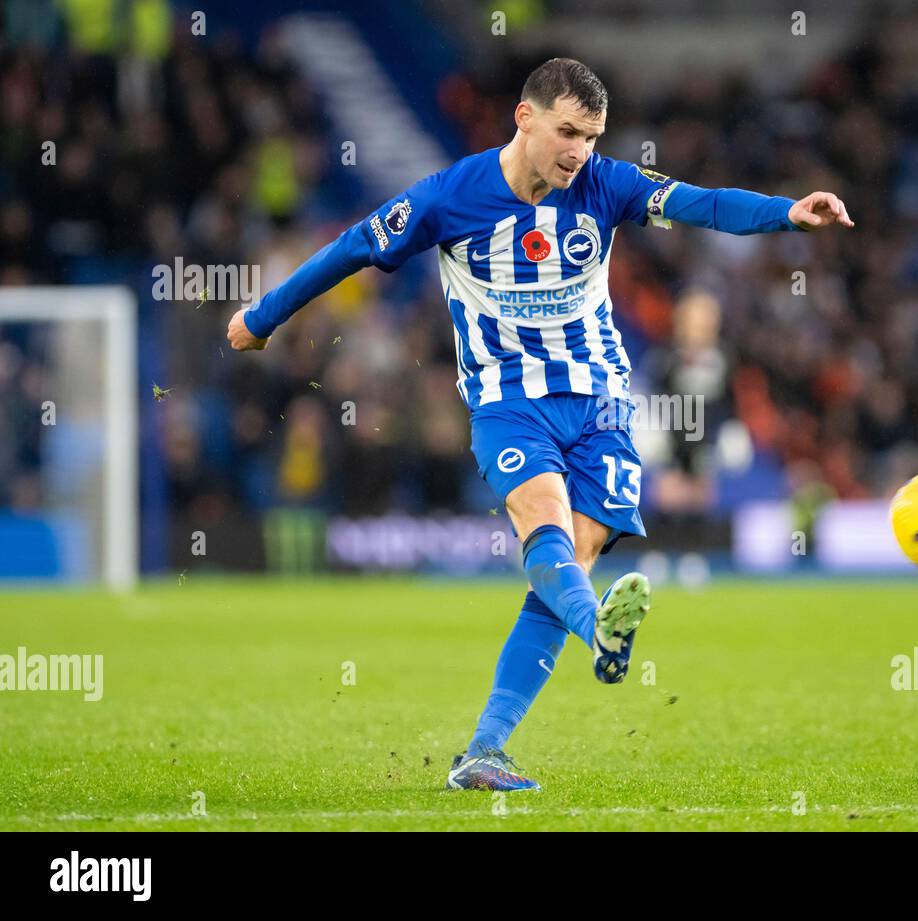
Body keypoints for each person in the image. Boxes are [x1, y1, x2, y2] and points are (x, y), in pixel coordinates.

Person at [227, 57, 853, 791]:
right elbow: (353, 247)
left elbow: (703, 204)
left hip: (600, 403)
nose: (578, 151)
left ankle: (484, 749)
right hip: (508, 400)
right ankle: (602, 635)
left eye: (590, 136)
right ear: (524, 118)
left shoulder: (605, 184)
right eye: (566, 132)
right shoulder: (449, 196)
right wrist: (263, 317)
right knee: (546, 525)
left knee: (568, 566)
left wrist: (786, 211)